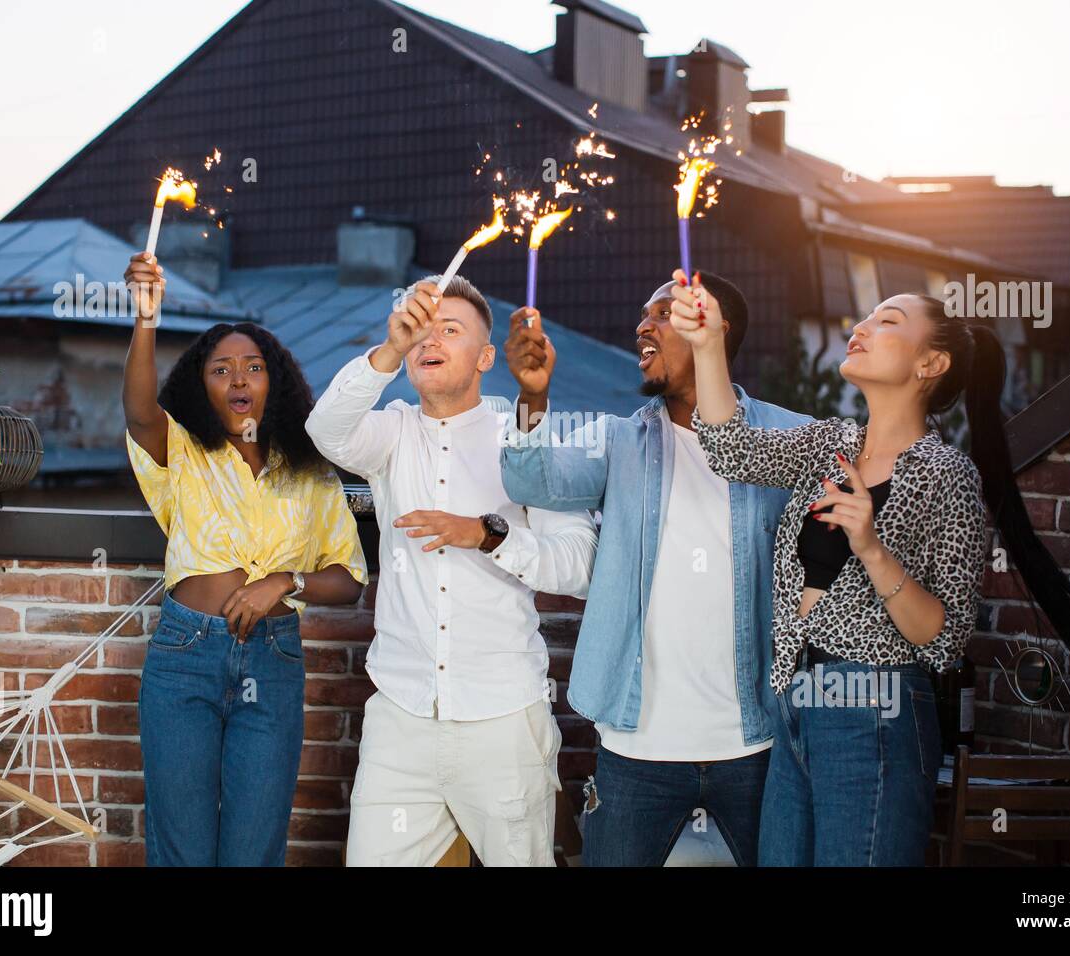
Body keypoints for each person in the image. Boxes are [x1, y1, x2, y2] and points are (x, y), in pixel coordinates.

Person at [675, 270, 1070, 866]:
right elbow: (731, 449)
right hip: (794, 703)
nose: (861, 328)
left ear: (930, 364)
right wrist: (707, 344)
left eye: (887, 321)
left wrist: (870, 545)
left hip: (873, 715)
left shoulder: (944, 475)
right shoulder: (832, 445)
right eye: (867, 317)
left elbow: (945, 640)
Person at [500, 272, 811, 866]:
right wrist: (534, 400)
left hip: (757, 741)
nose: (643, 326)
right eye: (645, 315)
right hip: (636, 749)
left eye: (663, 313)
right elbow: (529, 481)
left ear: (713, 329)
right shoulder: (618, 441)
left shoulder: (788, 438)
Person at [304, 274, 597, 867]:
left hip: (503, 719)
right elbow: (323, 429)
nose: (428, 341)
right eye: (419, 331)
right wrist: (387, 348)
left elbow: (579, 563)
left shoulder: (526, 439)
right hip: (400, 717)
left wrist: (488, 535)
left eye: (451, 330)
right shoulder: (391, 432)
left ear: (487, 356)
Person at [121, 252, 368, 866]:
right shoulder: (184, 450)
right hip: (185, 660)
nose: (237, 381)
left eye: (253, 368)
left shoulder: (310, 470)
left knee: (254, 851)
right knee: (182, 851)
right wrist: (146, 319)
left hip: (274, 657)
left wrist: (284, 582)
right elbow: (137, 411)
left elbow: (350, 579)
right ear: (200, 385)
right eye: (221, 369)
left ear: (272, 381)